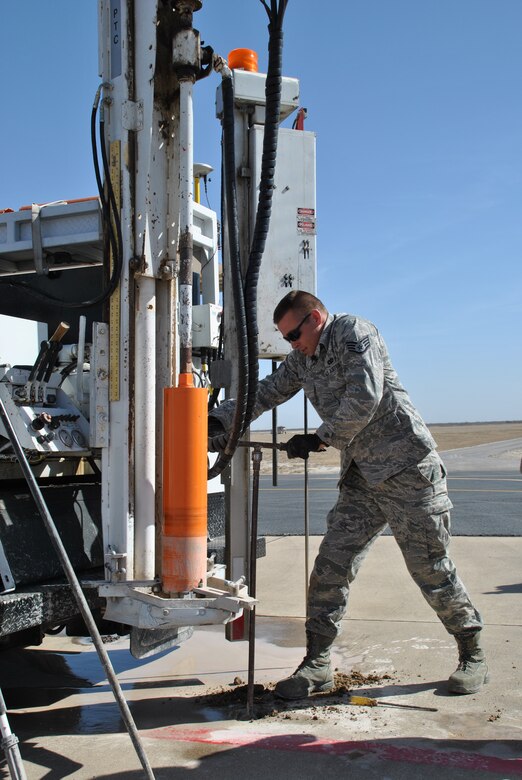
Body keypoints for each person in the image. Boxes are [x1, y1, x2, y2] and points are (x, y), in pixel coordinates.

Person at [208, 290, 488, 699]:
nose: (291, 345)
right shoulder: (303, 358)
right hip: (362, 479)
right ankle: (317, 662)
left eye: (293, 335)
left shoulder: (353, 333)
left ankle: (472, 652)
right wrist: (217, 417)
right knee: (330, 567)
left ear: (315, 319)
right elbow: (268, 391)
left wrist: (320, 438)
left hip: (407, 471)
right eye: (286, 339)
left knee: (431, 569)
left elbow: (365, 395)